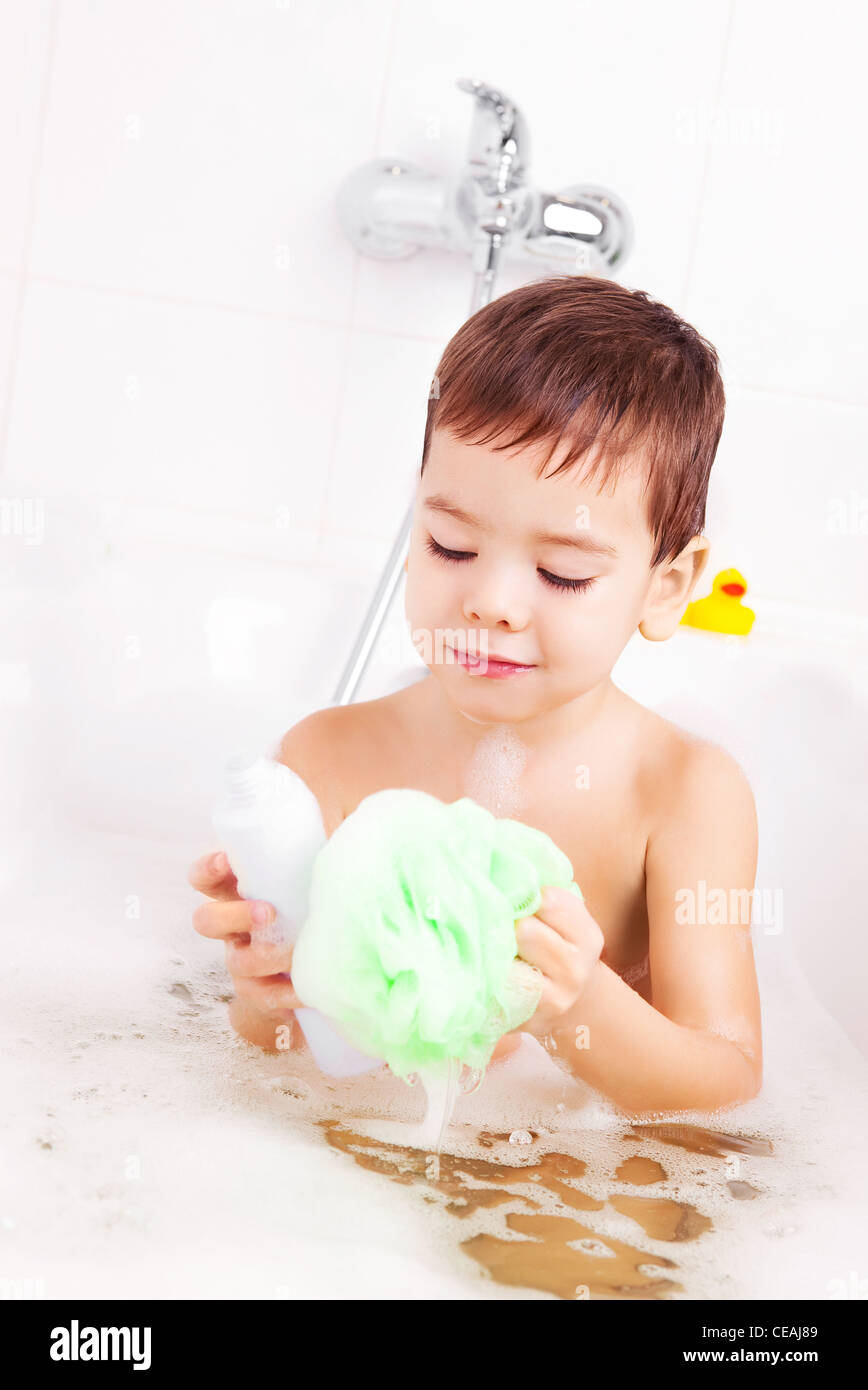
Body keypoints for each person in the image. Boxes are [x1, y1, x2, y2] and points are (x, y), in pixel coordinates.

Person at [190, 274, 761, 1116]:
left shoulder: (682, 795)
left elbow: (726, 1077)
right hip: (362, 1149)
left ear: (665, 588)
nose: (490, 601)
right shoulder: (328, 758)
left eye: (562, 573)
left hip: (570, 1173)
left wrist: (578, 1008)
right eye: (451, 546)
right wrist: (263, 991)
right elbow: (284, 1051)